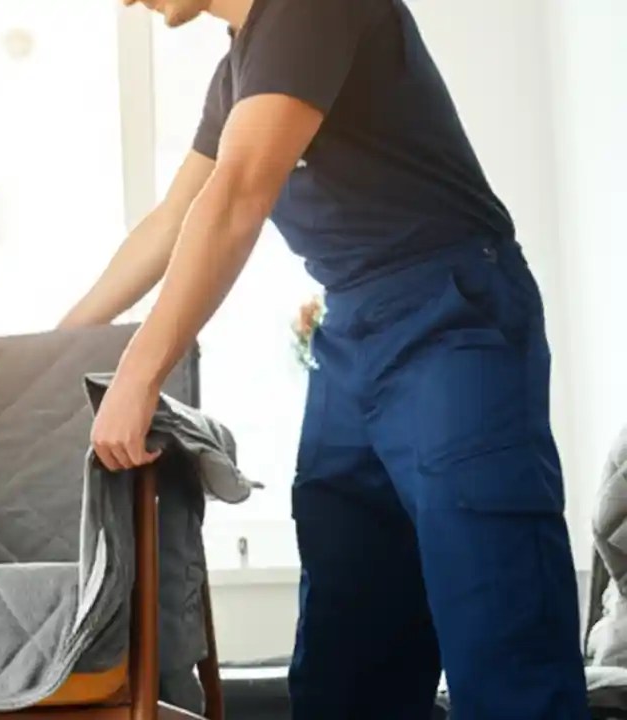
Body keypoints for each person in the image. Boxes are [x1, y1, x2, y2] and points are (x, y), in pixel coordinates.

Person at [62, 0, 590, 717]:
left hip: (450, 313)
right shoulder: (237, 72)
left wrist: (139, 373)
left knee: (499, 623)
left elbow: (238, 195)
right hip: (352, 330)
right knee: (347, 647)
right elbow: (173, 221)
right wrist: (57, 344)